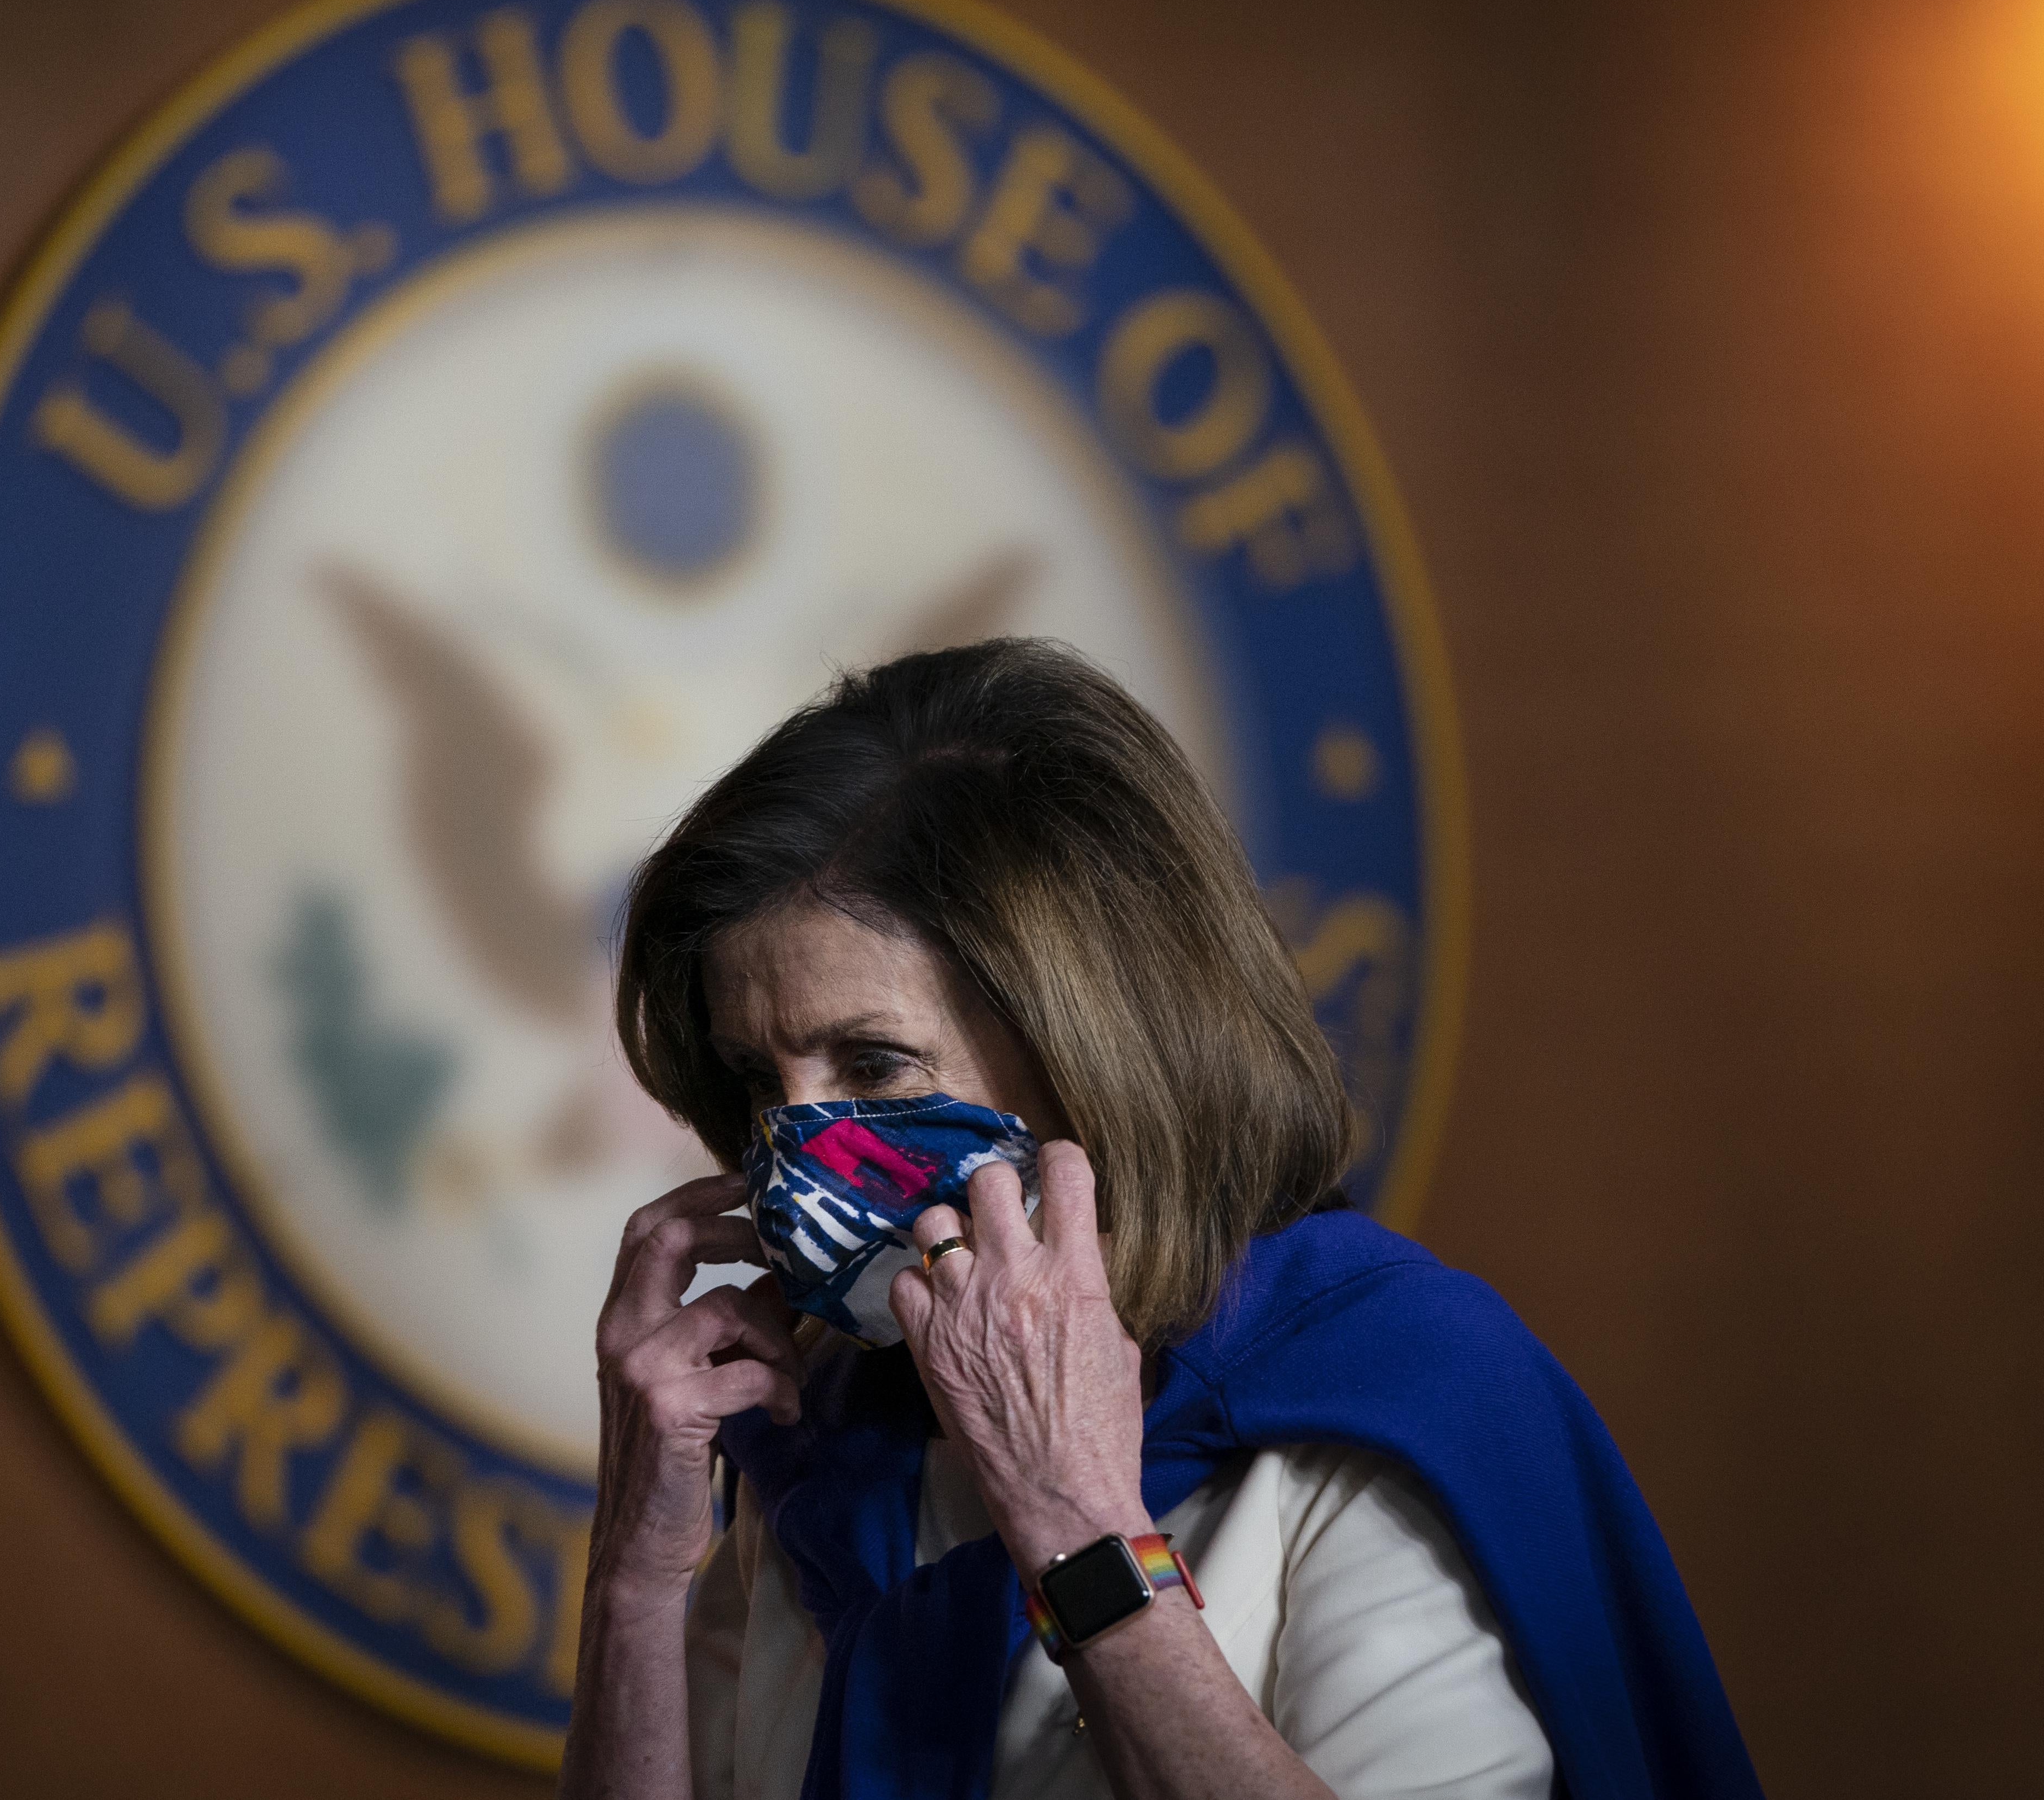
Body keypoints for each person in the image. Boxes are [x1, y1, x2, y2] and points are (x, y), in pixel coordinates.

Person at [563, 640, 1759, 1800]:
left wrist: (1072, 1519)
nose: (794, 1155)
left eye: (872, 1064)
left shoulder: (1390, 1398)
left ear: (1097, 1051)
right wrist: (635, 1579)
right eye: (757, 1081)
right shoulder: (822, 1434)